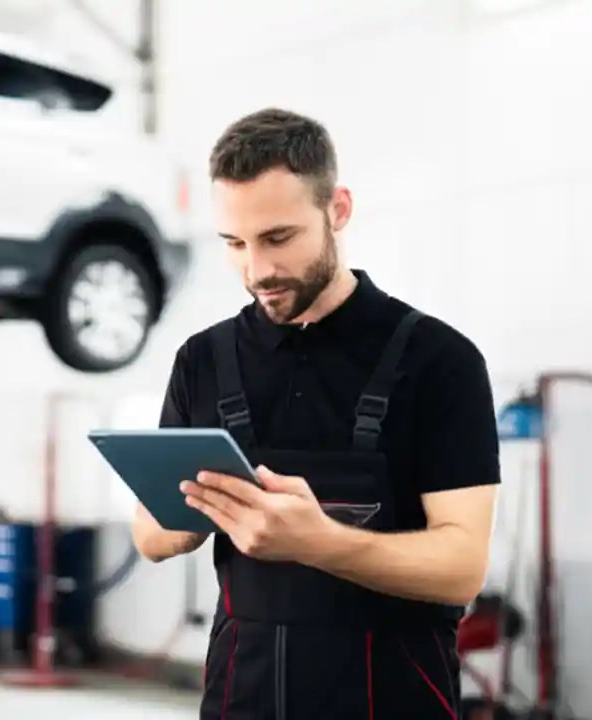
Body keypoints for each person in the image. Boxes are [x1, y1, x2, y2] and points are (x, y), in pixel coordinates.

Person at [132, 108, 501, 719]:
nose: (257, 270)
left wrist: (318, 541)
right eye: (235, 244)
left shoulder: (440, 361)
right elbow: (149, 534)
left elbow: (462, 568)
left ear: (338, 209)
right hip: (239, 699)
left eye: (278, 238)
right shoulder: (203, 360)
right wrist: (189, 517)